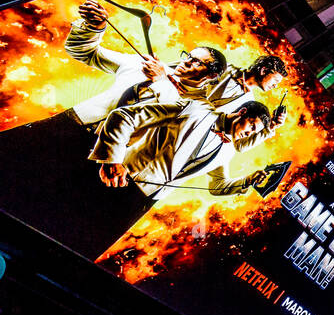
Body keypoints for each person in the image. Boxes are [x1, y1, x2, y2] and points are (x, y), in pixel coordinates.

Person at [0, 0, 227, 243]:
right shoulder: (143, 65)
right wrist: (93, 27)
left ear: (211, 75)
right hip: (68, 129)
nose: (185, 62)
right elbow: (83, 51)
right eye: (188, 56)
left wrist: (161, 82)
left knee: (41, 215)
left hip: (103, 158)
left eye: (196, 62)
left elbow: (155, 129)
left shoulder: (198, 109)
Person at [46, 99, 278, 260]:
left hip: (138, 205)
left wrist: (247, 181)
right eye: (253, 126)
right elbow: (125, 116)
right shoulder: (195, 110)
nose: (250, 133)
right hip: (115, 179)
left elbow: (217, 186)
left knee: (83, 247)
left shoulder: (227, 151)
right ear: (242, 112)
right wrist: (112, 159)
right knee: (55, 226)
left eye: (256, 133)